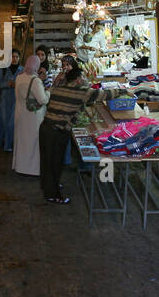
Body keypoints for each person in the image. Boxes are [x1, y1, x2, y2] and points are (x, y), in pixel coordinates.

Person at [39, 66, 125, 204]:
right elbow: (105, 94)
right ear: (78, 79)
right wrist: (123, 90)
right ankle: (52, 195)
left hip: (45, 128)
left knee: (47, 161)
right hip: (57, 131)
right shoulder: (82, 91)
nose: (85, 79)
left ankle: (49, 186)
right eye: (83, 77)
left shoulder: (59, 88)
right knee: (55, 162)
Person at [12, 54, 49, 175]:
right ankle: (32, 169)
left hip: (20, 113)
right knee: (33, 142)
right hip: (33, 117)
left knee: (22, 140)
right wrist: (48, 92)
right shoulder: (35, 80)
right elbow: (43, 100)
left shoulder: (19, 77)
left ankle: (20, 166)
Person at [0, 48, 22, 152]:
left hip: (16, 100)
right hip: (4, 100)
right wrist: (8, 84)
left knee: (12, 123)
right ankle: (0, 141)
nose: (14, 59)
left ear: (19, 58)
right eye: (12, 57)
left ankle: (9, 144)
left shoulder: (22, 70)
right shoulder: (3, 69)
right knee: (3, 122)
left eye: (16, 57)